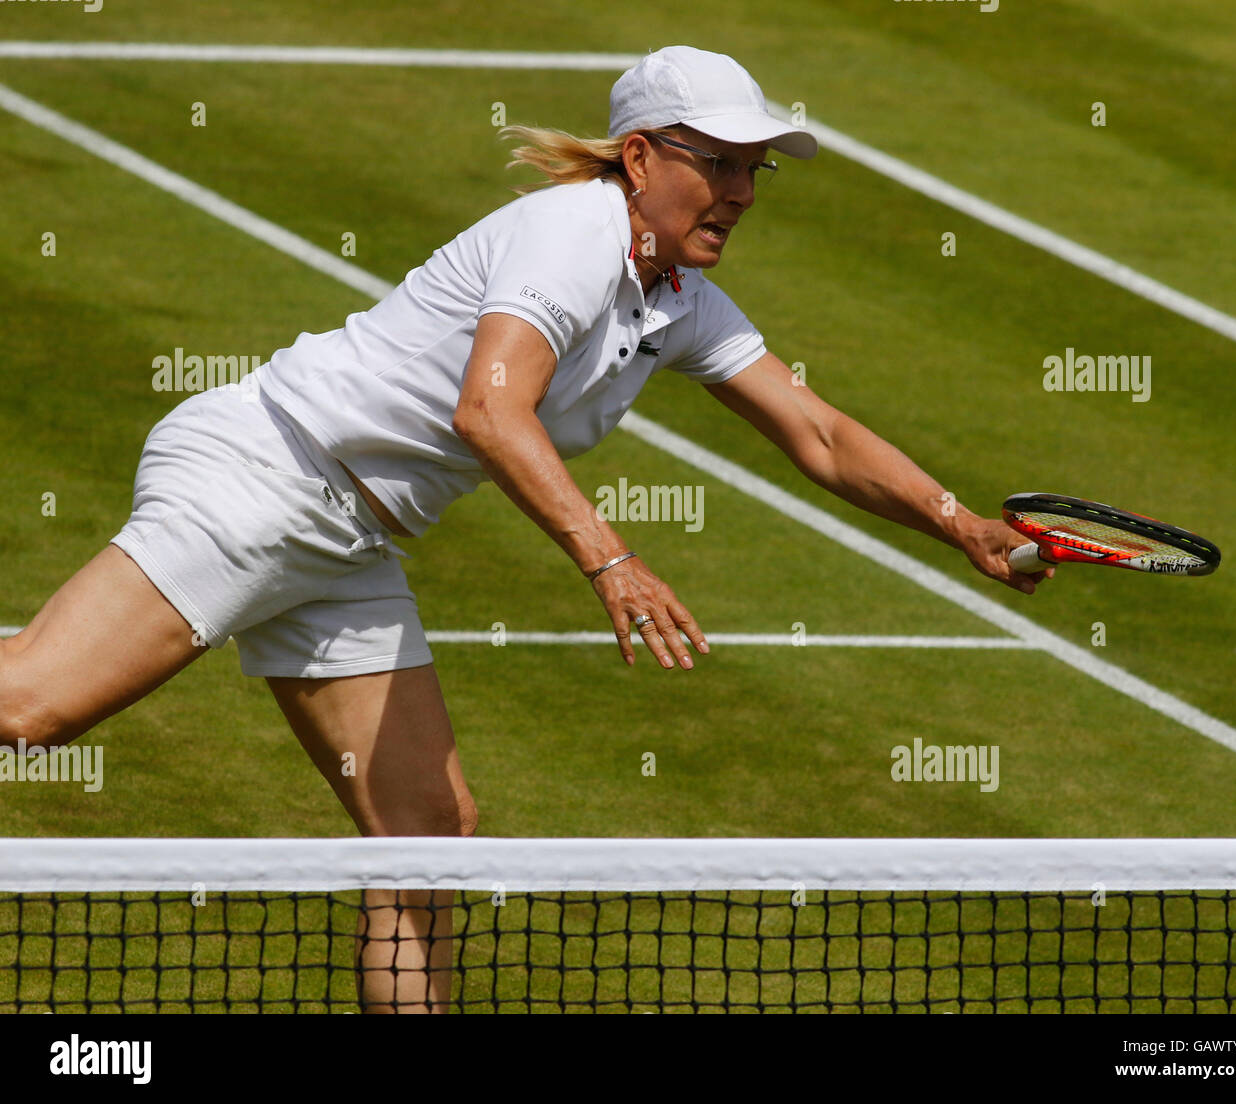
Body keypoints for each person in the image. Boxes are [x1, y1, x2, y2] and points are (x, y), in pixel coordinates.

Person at [0, 45, 1050, 1012]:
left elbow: (818, 433)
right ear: (639, 159)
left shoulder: (674, 293)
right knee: (33, 708)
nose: (738, 192)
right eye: (719, 164)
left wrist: (960, 526)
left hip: (348, 542)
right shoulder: (572, 233)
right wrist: (613, 558)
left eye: (753, 170)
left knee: (425, 834)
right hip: (265, 478)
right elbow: (489, 411)